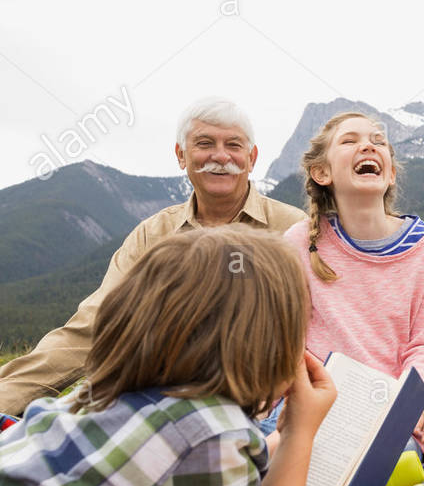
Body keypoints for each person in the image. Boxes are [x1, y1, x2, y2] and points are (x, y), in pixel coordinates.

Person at [0, 227, 337, 486]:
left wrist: (273, 447)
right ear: (267, 347)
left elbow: (176, 457)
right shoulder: (210, 435)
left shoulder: (99, 395)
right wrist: (300, 436)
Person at [0, 97, 305, 420]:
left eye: (233, 145)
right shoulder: (153, 235)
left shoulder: (293, 228)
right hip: (156, 410)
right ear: (181, 155)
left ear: (251, 157)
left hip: (262, 417)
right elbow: (96, 327)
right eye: (204, 143)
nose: (220, 156)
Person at [283, 112, 424, 454]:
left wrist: (408, 403)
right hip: (316, 408)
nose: (368, 146)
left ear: (389, 173)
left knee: (396, 453)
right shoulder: (299, 242)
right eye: (350, 141)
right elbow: (286, 342)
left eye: (378, 141)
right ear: (322, 172)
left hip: (395, 412)